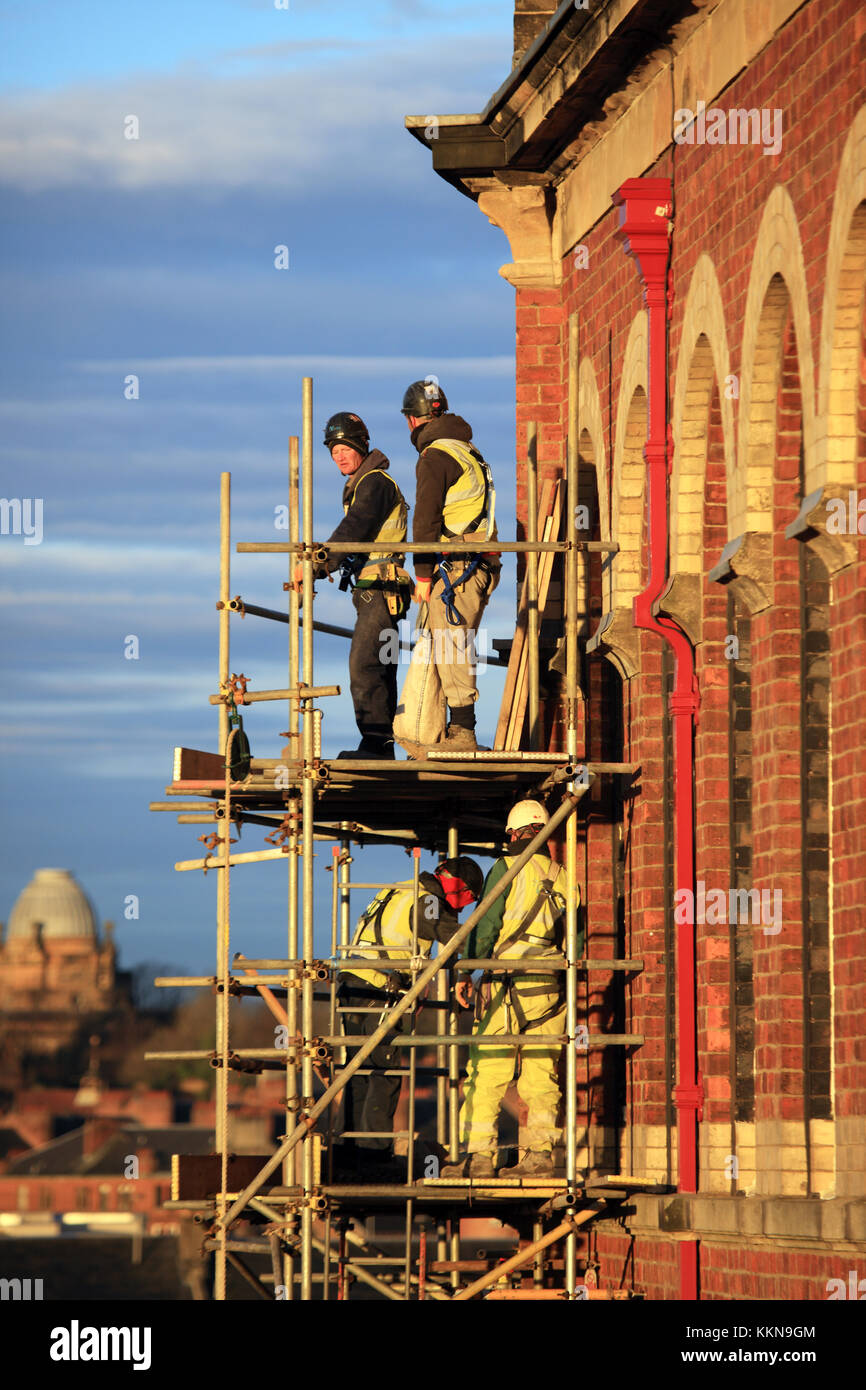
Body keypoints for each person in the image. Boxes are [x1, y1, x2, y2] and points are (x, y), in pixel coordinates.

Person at [441, 800, 572, 1179]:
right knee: (541, 1074)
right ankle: (540, 1157)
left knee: (488, 1070)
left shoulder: (506, 867)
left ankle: (480, 1159)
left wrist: (467, 972)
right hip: (548, 987)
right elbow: (574, 937)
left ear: (513, 834)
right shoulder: (565, 874)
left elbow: (485, 925)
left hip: (505, 983)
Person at [338, 855, 484, 1158]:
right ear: (458, 887)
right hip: (379, 989)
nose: (463, 909)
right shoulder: (427, 901)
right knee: (384, 1072)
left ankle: (347, 1154)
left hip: (353, 982)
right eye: (468, 900)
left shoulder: (402, 889)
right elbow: (453, 940)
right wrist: (479, 959)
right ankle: (373, 1157)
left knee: (359, 1069)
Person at [293, 412, 410, 760]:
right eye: (333, 451)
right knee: (381, 665)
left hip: (381, 589)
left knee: (365, 664)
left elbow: (353, 530)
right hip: (380, 590)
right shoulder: (367, 484)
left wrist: (315, 564)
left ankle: (375, 743)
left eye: (345, 448)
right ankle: (383, 744)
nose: (339, 457)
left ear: (360, 445)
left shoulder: (374, 483)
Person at [396, 380, 500, 756]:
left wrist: (422, 575)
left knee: (450, 642)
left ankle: (463, 732)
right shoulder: (468, 450)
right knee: (454, 641)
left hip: (456, 566)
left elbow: (424, 522)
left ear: (412, 421)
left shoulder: (434, 457)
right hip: (479, 562)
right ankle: (453, 727)